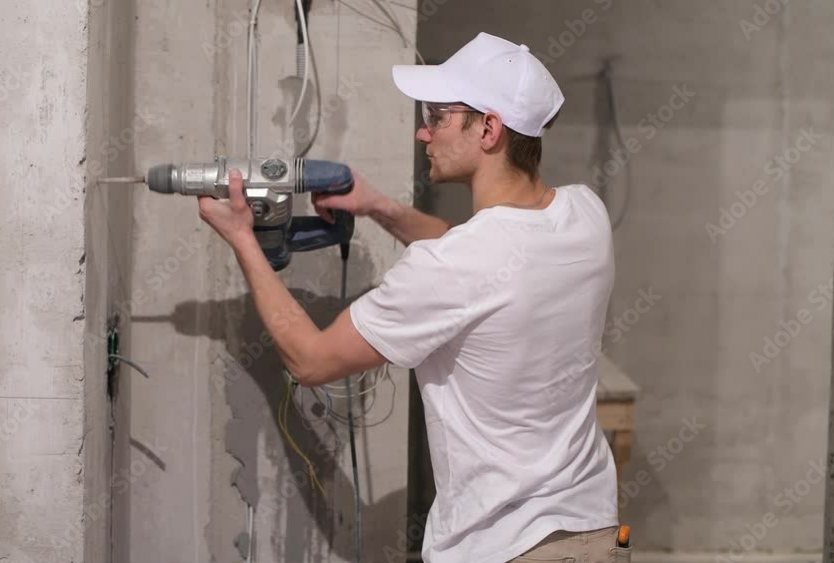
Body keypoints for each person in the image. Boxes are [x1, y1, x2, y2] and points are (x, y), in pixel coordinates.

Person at [197, 31, 628, 563]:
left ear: (488, 129)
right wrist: (379, 205)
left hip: (503, 549)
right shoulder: (585, 216)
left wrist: (242, 237)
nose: (425, 134)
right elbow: (481, 261)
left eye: (439, 117)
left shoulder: (456, 265)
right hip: (592, 533)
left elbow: (309, 360)